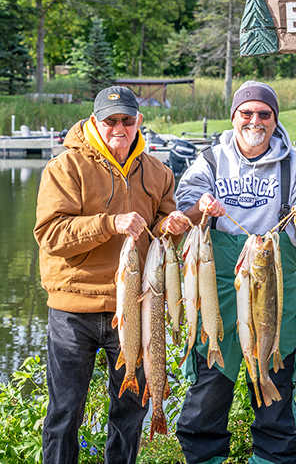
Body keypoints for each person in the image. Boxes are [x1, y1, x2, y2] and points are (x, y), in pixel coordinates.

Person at [34, 86, 190, 463]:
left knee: (129, 413)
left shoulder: (157, 171)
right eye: (111, 120)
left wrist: (173, 224)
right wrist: (110, 224)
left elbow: (160, 223)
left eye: (127, 119)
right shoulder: (65, 168)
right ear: (95, 121)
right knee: (64, 413)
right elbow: (50, 235)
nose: (119, 127)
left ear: (139, 121)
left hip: (135, 308)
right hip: (75, 309)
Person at [174, 81, 296, 464]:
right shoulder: (209, 160)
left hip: (278, 289)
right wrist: (201, 207)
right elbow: (184, 213)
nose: (254, 120)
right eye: (247, 112)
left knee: (275, 396)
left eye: (264, 114)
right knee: (208, 394)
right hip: (218, 289)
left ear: (274, 121)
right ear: (234, 116)